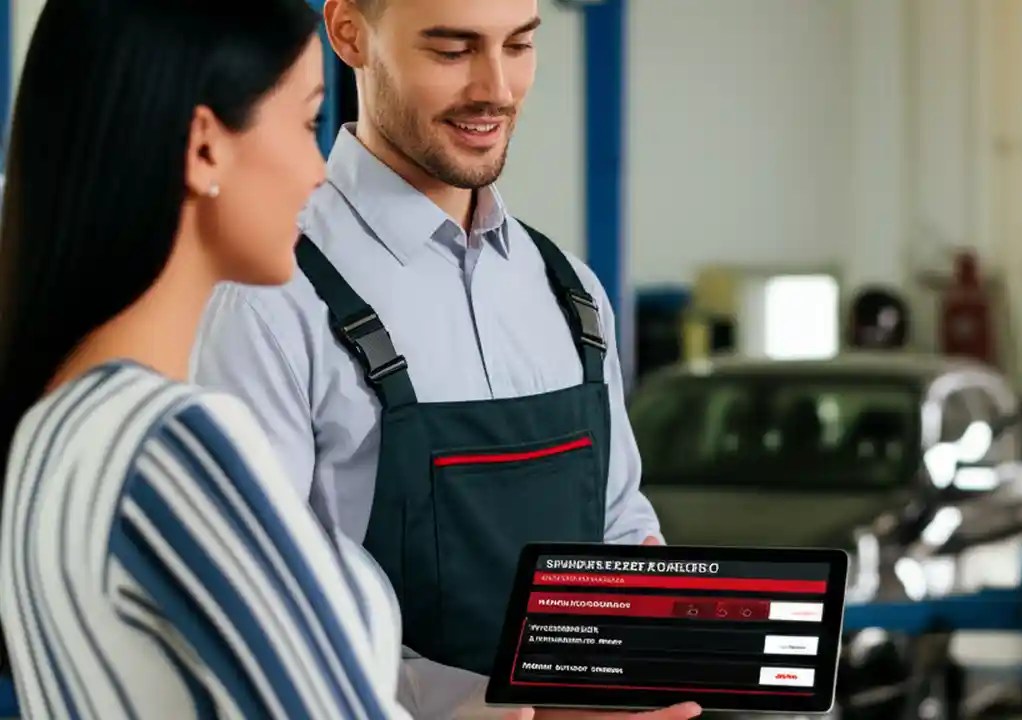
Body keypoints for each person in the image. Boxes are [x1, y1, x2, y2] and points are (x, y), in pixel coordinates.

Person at [191, 1, 672, 716]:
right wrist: (509, 711)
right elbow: (255, 620)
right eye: (453, 51)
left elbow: (619, 523)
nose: (497, 88)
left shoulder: (572, 292)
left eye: (518, 46)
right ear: (350, 34)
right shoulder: (268, 299)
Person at [0, 0, 413, 717]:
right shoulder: (174, 443)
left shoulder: (49, 426)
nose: (319, 173)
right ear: (204, 146)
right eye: (309, 122)